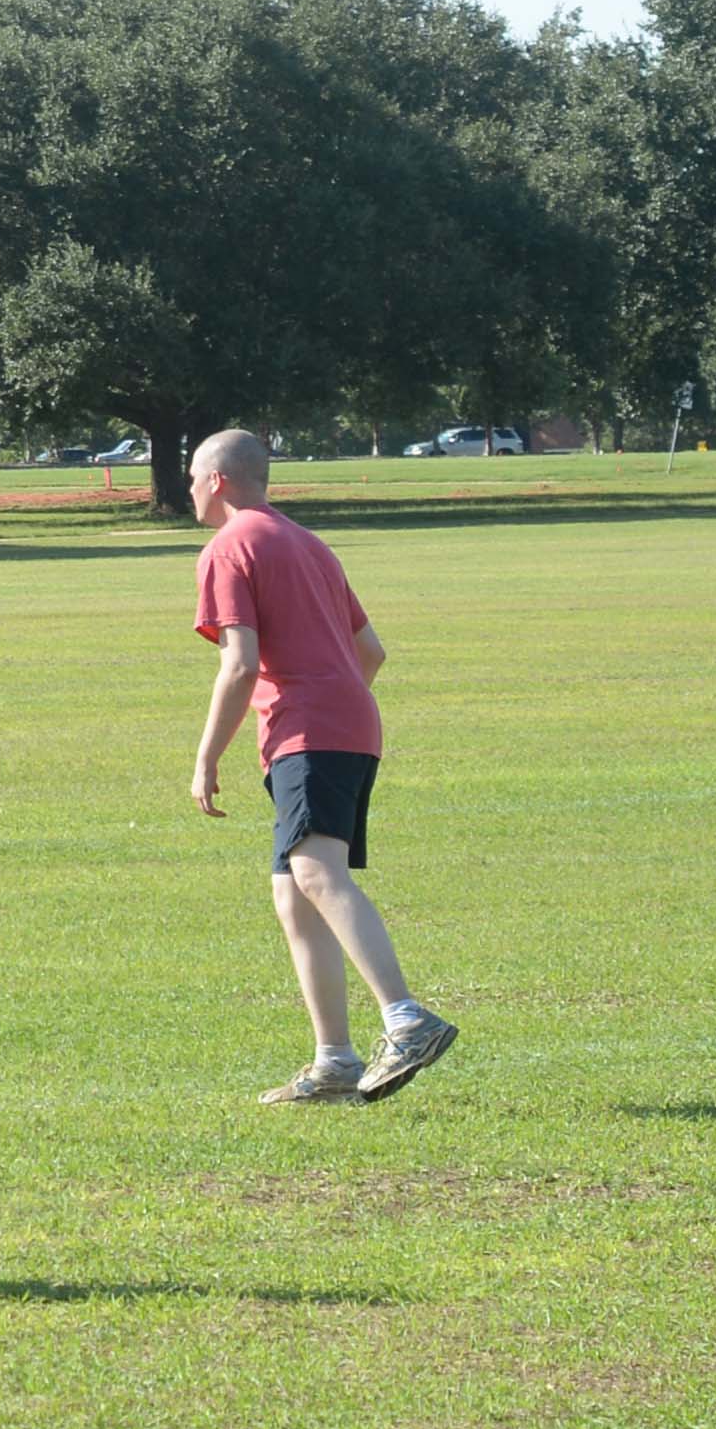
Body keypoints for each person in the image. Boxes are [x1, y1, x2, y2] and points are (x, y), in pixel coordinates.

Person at [182, 429, 456, 1105]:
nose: (189, 488)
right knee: (292, 893)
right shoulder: (310, 544)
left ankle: (406, 1017)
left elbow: (240, 664)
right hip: (349, 725)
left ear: (217, 481)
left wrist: (207, 755)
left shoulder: (228, 546)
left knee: (314, 872)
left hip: (309, 732)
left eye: (193, 476)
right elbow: (372, 652)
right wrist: (333, 698)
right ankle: (334, 1060)